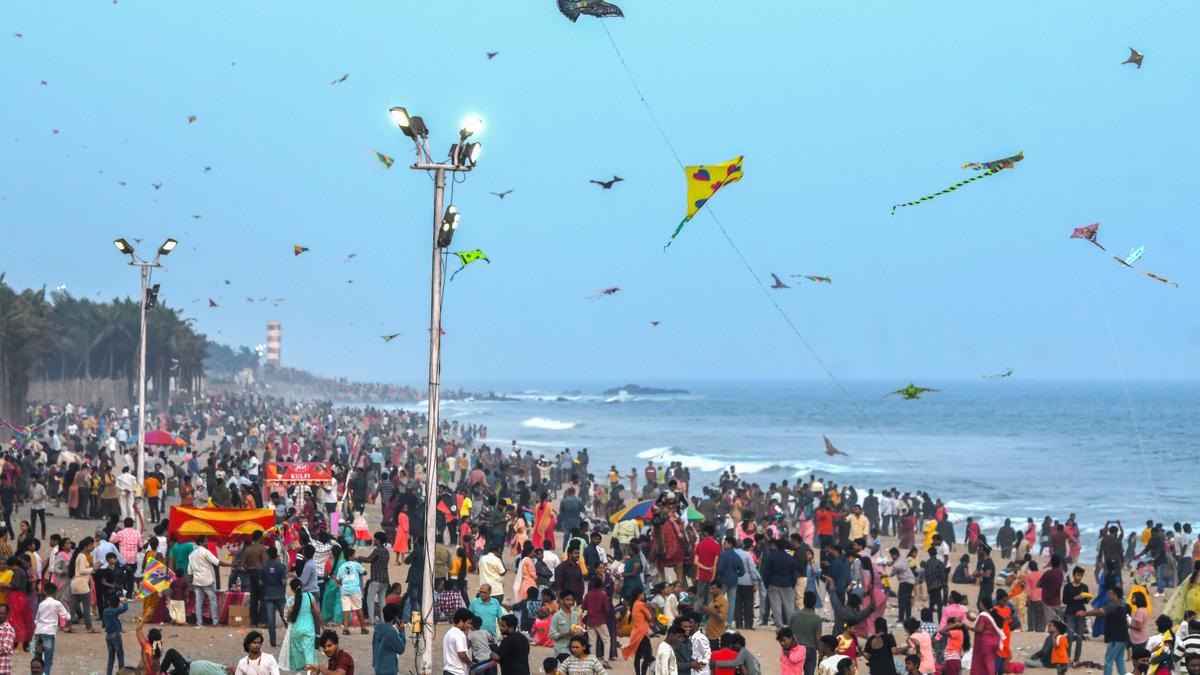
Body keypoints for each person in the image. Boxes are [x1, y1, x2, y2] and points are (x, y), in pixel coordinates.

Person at [1078, 586, 1132, 675]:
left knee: (1108, 660)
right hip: (1124, 638)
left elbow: (1101, 611)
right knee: (1119, 660)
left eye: (1110, 593)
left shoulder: (1115, 604)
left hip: (1116, 638)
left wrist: (1085, 613)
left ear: (1114, 594)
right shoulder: (1122, 604)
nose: (1108, 595)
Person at [188, 535, 228, 627]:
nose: (207, 543)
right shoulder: (206, 552)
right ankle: (215, 622)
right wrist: (230, 565)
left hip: (196, 581)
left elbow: (189, 570)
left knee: (198, 602)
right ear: (201, 543)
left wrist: (190, 582)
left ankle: (199, 623)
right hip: (207, 581)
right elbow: (217, 562)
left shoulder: (192, 554)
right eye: (205, 541)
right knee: (213, 600)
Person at [285, 577, 323, 671]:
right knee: (309, 653)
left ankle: (299, 672)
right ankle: (310, 672)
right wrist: (322, 625)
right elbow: (317, 611)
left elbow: (287, 618)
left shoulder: (290, 600)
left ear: (292, 589)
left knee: (297, 655)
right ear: (302, 586)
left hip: (295, 631)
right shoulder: (310, 596)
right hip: (308, 630)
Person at [33, 582, 70, 675]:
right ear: (55, 592)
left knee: (38, 658)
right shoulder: (57, 604)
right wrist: (68, 611)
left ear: (45, 592)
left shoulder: (41, 604)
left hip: (39, 632)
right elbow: (67, 617)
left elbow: (36, 619)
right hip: (49, 633)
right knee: (48, 660)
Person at [334, 547, 367, 636]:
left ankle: (345, 629)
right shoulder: (356, 564)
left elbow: (338, 579)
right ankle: (363, 628)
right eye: (354, 555)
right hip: (355, 589)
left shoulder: (342, 566)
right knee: (358, 608)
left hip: (345, 590)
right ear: (350, 556)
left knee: (346, 609)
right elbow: (365, 572)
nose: (355, 556)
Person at [621, 588, 654, 674]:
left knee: (638, 656)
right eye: (643, 594)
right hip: (642, 632)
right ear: (639, 595)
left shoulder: (634, 604)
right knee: (647, 655)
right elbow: (650, 617)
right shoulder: (640, 604)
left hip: (635, 632)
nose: (644, 595)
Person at [788, 592, 822, 675]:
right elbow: (818, 639)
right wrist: (820, 651)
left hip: (795, 649)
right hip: (810, 650)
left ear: (804, 601)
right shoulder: (817, 619)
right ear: (814, 603)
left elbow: (788, 634)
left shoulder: (794, 616)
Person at [261, 547, 288, 648]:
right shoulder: (281, 567)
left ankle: (273, 642)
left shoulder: (263, 567)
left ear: (268, 555)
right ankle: (291, 637)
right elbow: (284, 581)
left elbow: (261, 582)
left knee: (271, 620)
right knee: (286, 618)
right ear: (277, 555)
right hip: (280, 594)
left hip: (268, 595)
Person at [371, 603, 407, 675]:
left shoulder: (377, 629)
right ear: (395, 617)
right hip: (389, 670)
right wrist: (402, 631)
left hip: (378, 668)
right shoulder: (391, 632)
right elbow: (401, 649)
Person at [550, 590, 584, 663]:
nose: (570, 602)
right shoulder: (557, 616)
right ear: (561, 600)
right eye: (567, 600)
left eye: (572, 600)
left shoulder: (575, 615)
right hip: (561, 649)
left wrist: (580, 631)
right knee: (570, 665)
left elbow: (580, 633)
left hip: (574, 649)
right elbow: (552, 634)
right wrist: (567, 633)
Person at [102, 595, 128, 675]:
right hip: (116, 636)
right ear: (117, 604)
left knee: (111, 657)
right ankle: (121, 673)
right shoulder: (115, 611)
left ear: (108, 602)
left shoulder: (105, 611)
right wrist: (124, 602)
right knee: (120, 656)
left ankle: (109, 673)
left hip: (108, 636)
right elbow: (124, 608)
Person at [442, 608, 473, 675]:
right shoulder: (460, 634)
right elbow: (461, 654)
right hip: (457, 672)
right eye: (468, 623)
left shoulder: (448, 633)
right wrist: (470, 663)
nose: (469, 626)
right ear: (461, 621)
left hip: (447, 671)